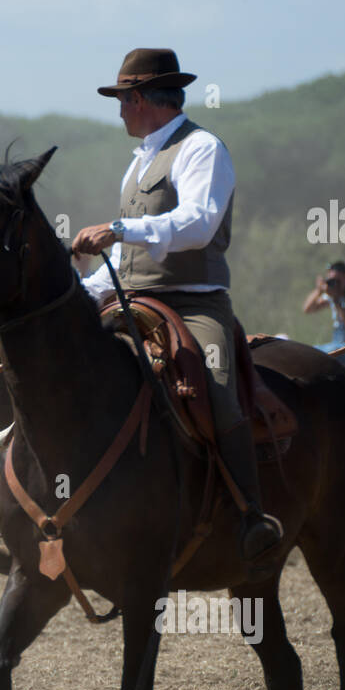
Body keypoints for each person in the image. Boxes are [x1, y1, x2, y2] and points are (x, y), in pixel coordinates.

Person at [70, 47, 283, 578]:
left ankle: (250, 515)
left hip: (193, 300)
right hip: (130, 296)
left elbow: (198, 223)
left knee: (212, 380)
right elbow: (125, 261)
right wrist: (83, 292)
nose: (119, 110)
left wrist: (118, 228)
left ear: (140, 99)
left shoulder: (202, 148)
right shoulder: (140, 158)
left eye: (122, 100)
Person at [303, 260, 345, 365]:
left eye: (338, 281)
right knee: (308, 352)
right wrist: (319, 290)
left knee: (317, 356)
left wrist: (335, 299)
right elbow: (308, 309)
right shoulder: (333, 294)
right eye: (331, 281)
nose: (335, 284)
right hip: (338, 345)